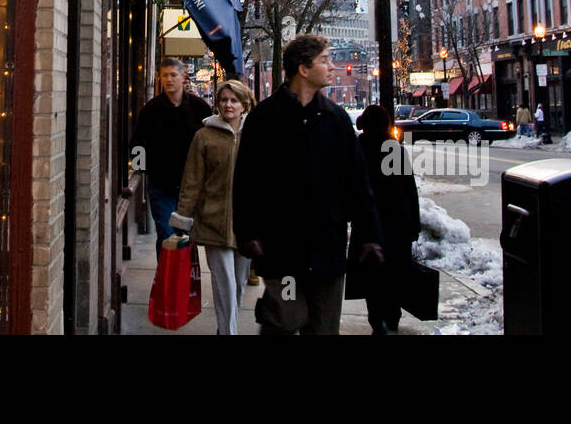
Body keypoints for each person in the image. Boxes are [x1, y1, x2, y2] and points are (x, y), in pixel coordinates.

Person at [233, 34, 383, 335]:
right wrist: (247, 233)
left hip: (327, 251)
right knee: (285, 317)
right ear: (303, 68)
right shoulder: (264, 119)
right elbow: (246, 181)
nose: (331, 66)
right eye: (324, 60)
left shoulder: (337, 120)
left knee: (324, 326)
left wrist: (370, 234)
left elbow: (358, 182)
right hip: (282, 253)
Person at [169, 78, 254, 335]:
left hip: (246, 223)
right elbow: (192, 180)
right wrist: (183, 217)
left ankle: (226, 327)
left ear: (244, 105)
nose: (228, 105)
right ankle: (228, 331)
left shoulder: (255, 134)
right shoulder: (204, 136)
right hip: (213, 221)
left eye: (234, 101)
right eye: (224, 100)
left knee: (238, 284)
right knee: (224, 284)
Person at [349, 105, 420, 334]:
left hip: (368, 226)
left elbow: (351, 188)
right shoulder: (395, 150)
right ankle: (392, 318)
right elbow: (410, 191)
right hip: (397, 225)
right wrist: (414, 225)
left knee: (372, 279)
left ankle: (377, 320)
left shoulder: (358, 149)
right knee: (395, 276)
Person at [131, 58, 211, 250]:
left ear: (183, 77)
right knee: (167, 235)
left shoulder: (199, 108)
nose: (169, 79)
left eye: (173, 75)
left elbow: (211, 142)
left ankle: (182, 278)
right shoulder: (150, 110)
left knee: (185, 237)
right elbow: (138, 143)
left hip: (191, 187)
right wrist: (141, 170)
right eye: (165, 75)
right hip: (161, 185)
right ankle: (166, 278)